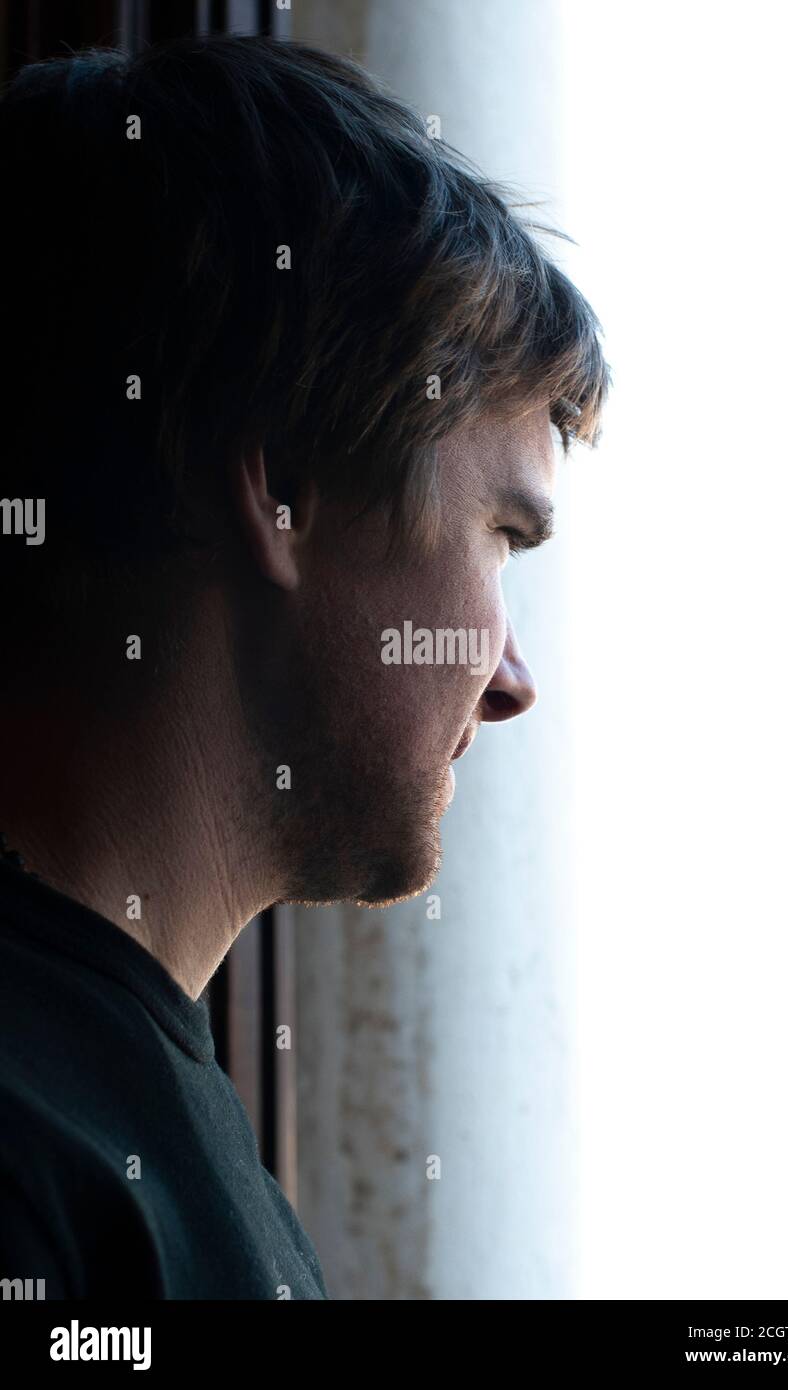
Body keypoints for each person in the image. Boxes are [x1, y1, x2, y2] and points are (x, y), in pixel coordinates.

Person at [0, 35, 608, 1299]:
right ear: (282, 487)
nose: (511, 677)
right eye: (500, 536)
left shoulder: (127, 1104)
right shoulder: (33, 1160)